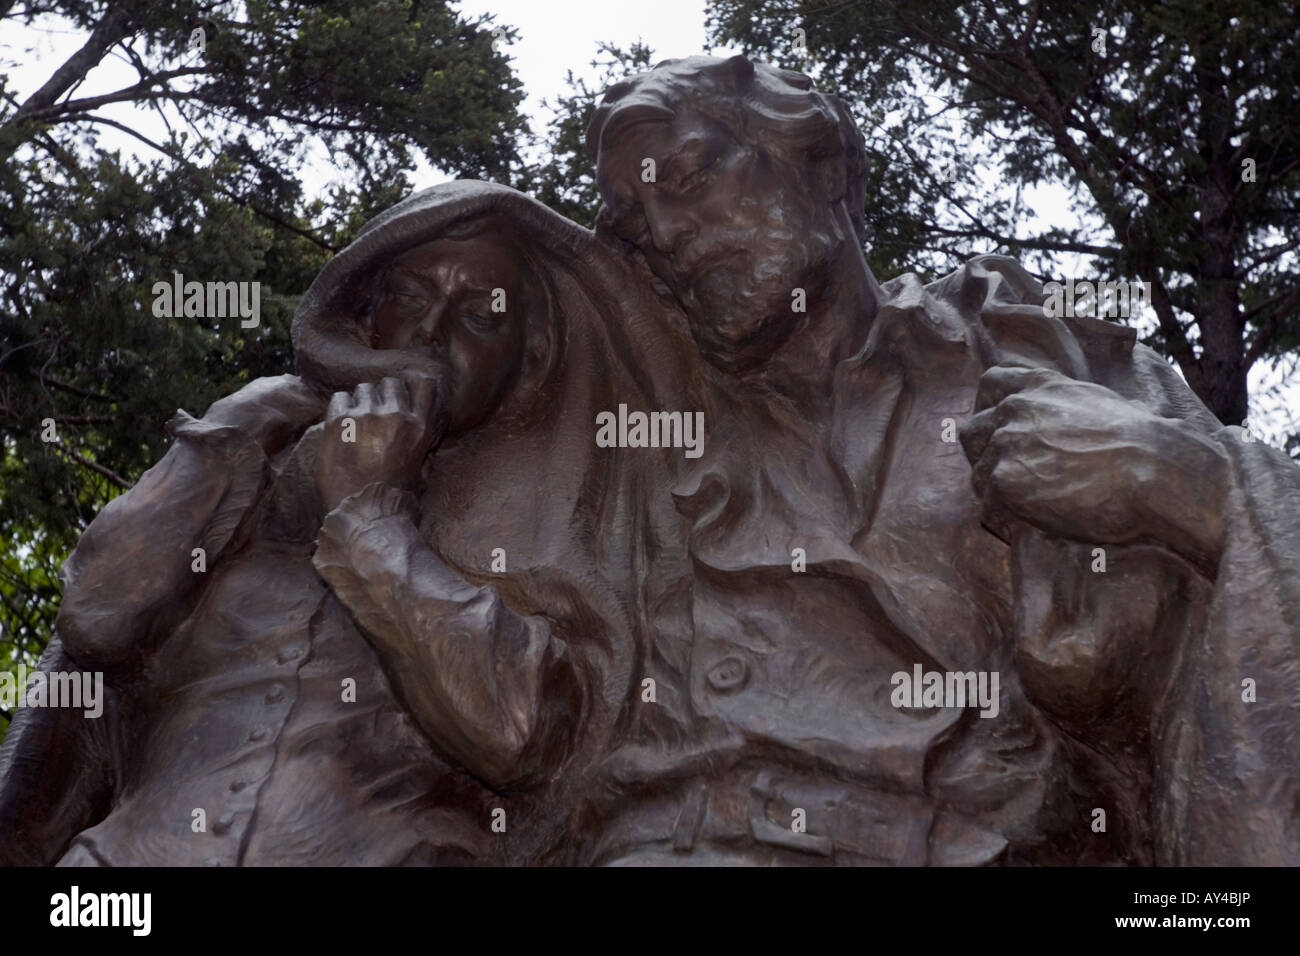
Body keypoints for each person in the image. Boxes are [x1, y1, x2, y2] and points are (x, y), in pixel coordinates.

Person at [578, 55, 1300, 865]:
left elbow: (1266, 525)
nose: (667, 238)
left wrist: (1185, 487)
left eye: (687, 175)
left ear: (819, 164)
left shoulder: (1029, 347)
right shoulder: (644, 449)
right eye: (635, 230)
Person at [0, 182, 693, 865]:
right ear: (366, 320)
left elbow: (515, 734)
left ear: (534, 355)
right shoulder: (247, 460)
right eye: (411, 298)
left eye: (480, 315)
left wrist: (370, 517)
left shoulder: (560, 528)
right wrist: (233, 430)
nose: (431, 332)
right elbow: (93, 619)